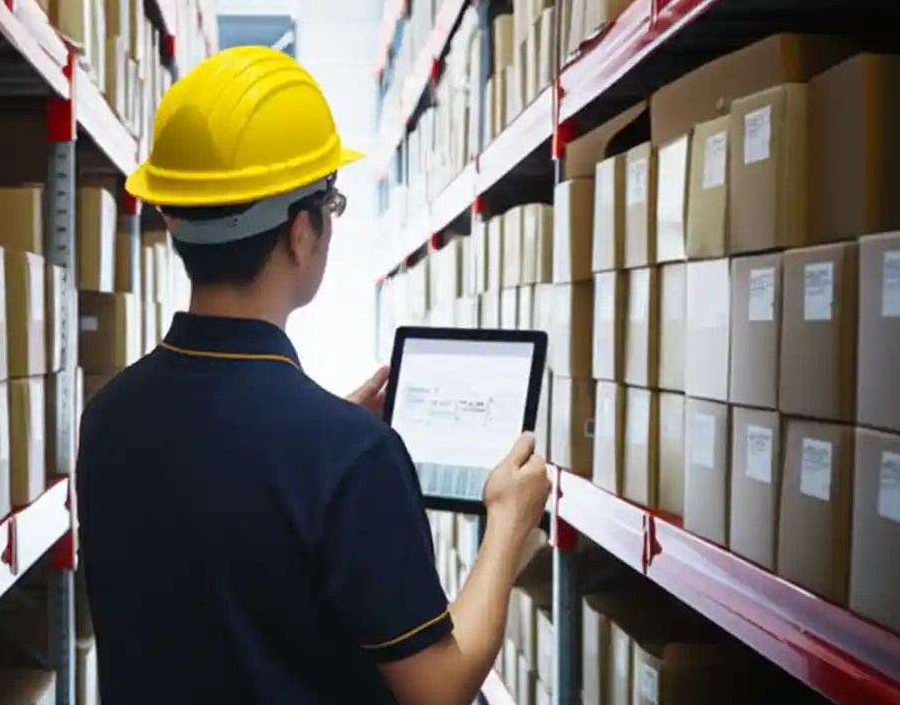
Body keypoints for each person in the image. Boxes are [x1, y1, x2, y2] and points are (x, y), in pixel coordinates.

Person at [76, 45, 550, 705]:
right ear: (302, 232)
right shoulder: (351, 457)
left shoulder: (108, 415)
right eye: (332, 201)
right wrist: (507, 521)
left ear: (172, 217)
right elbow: (438, 689)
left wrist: (329, 447)